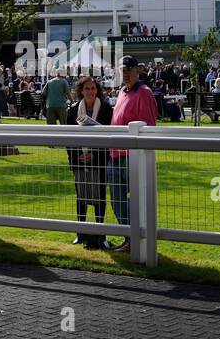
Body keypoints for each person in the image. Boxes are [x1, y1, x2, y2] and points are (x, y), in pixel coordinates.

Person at [105, 56, 158, 253]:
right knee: (117, 201)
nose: (125, 73)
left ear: (138, 70)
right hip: (115, 155)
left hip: (132, 156)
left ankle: (138, 239)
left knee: (136, 200)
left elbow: (149, 126)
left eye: (129, 69)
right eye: (123, 70)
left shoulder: (144, 93)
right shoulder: (122, 92)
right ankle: (129, 238)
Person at [67, 75, 113, 248]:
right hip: (79, 161)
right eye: (87, 88)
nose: (90, 91)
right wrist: (76, 156)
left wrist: (93, 154)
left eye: (93, 88)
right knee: (81, 197)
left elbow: (109, 136)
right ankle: (81, 234)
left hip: (99, 161)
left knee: (100, 197)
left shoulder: (106, 109)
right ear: (81, 91)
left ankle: (101, 235)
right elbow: (68, 138)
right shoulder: (72, 110)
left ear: (97, 90)